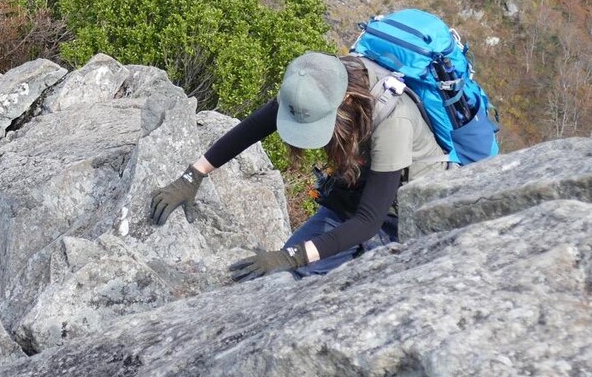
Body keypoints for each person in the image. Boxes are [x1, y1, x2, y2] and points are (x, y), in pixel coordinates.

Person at [149, 51, 447, 280]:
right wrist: (192, 177)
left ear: (345, 101)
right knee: (276, 279)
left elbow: (369, 221)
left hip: (403, 213)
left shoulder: (393, 122)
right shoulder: (313, 85)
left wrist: (293, 257)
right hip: (354, 194)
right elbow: (251, 129)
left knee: (301, 276)